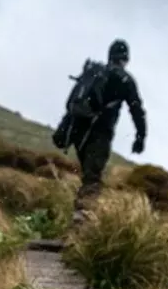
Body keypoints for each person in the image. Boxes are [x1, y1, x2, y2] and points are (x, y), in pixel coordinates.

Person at [53, 39, 147, 223]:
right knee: (92, 179)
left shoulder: (94, 72)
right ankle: (81, 225)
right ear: (125, 58)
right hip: (100, 134)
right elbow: (136, 109)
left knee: (88, 175)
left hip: (78, 132)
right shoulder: (125, 79)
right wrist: (140, 136)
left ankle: (77, 218)